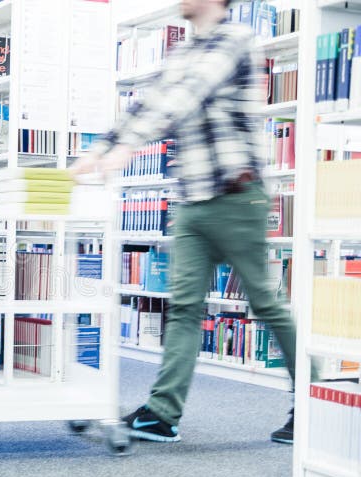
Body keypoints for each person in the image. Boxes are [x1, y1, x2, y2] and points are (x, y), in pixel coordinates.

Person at [71, 0, 297, 444]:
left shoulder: (233, 41)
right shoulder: (184, 50)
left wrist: (127, 147)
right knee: (184, 308)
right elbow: (149, 102)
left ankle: (315, 404)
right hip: (192, 200)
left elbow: (185, 95)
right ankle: (162, 413)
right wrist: (102, 147)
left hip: (237, 198)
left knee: (266, 306)